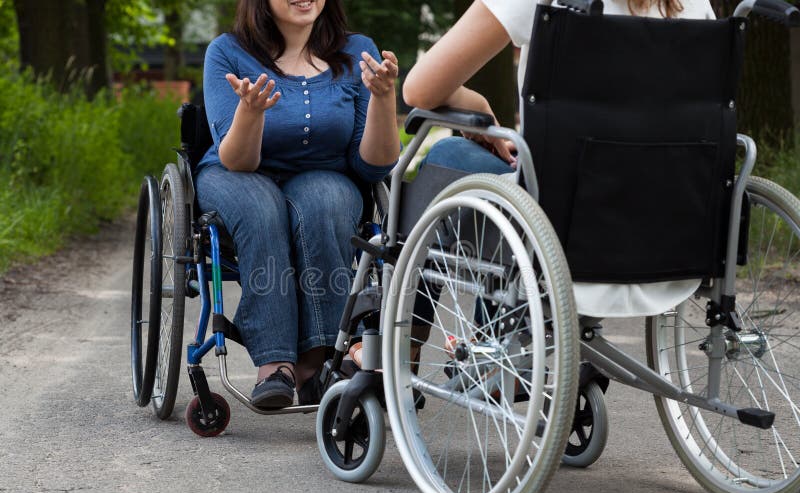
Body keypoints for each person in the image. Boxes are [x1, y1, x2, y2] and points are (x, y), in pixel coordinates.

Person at [402, 0, 715, 319]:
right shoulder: (696, 6)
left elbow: (418, 90)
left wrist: (477, 104)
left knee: (447, 155)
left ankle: (407, 340)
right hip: (668, 237)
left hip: (560, 228)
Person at [195, 0, 400, 409]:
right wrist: (250, 113)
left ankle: (317, 361)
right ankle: (274, 363)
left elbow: (374, 166)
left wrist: (383, 97)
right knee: (263, 208)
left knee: (323, 202)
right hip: (238, 174)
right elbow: (238, 159)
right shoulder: (228, 52)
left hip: (325, 174)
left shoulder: (358, 51)